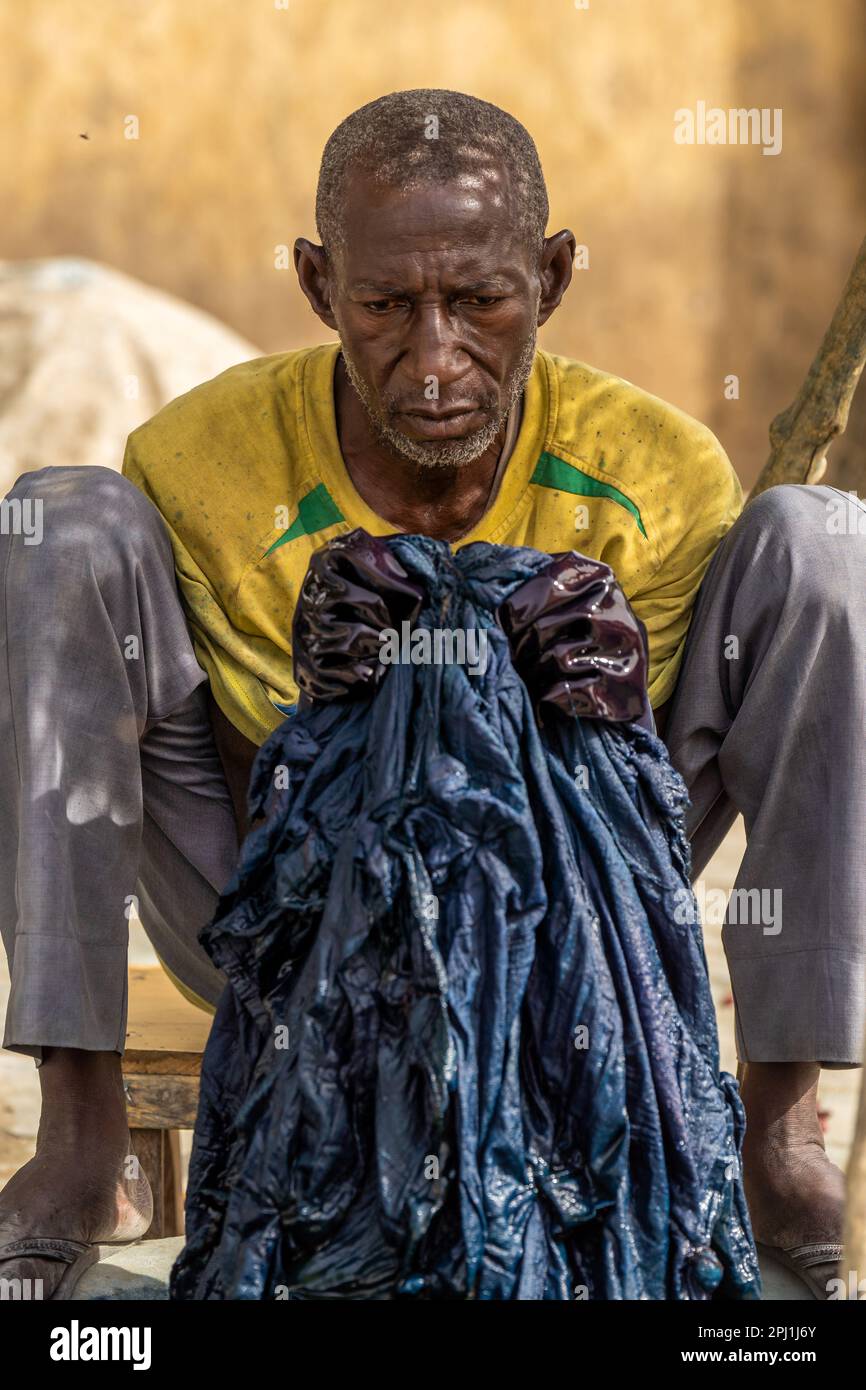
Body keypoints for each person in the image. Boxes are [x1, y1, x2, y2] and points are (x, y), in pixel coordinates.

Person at [0, 88, 861, 1300]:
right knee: (59, 522)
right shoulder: (200, 464)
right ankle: (80, 1135)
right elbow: (260, 790)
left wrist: (599, 697)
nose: (436, 358)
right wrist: (332, 708)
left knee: (821, 541)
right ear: (314, 286)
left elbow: (604, 823)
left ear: (552, 279)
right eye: (384, 307)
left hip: (574, 937)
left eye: (482, 300)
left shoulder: (655, 475)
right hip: (278, 927)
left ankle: (780, 1128)